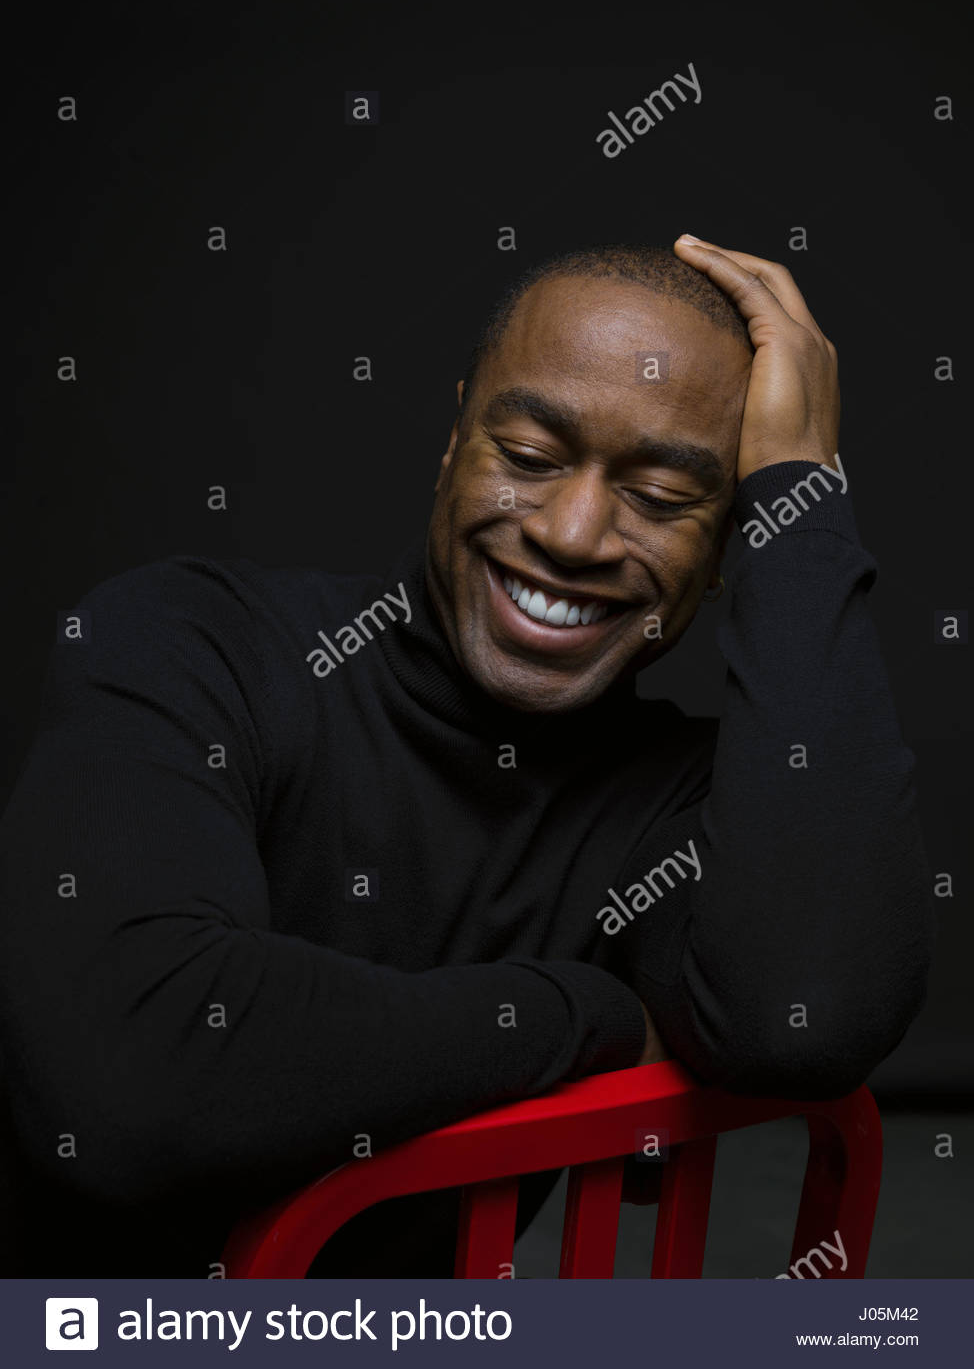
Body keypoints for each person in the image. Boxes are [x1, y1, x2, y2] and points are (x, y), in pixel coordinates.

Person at [0, 237, 934, 1277]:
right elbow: (131, 1077)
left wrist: (799, 497)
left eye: (664, 499)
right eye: (529, 457)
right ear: (453, 443)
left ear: (724, 550)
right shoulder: (186, 642)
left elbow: (805, 1018)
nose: (574, 534)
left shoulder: (682, 808)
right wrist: (589, 1016)